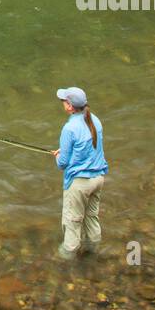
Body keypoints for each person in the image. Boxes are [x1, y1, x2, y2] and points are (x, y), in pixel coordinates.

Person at [53, 86, 108, 261]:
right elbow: (87, 147)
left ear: (69, 106)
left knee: (73, 221)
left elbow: (63, 164)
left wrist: (58, 155)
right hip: (98, 178)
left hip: (79, 184)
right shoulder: (95, 120)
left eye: (63, 100)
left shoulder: (69, 128)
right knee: (91, 217)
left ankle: (65, 258)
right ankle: (93, 253)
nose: (62, 103)